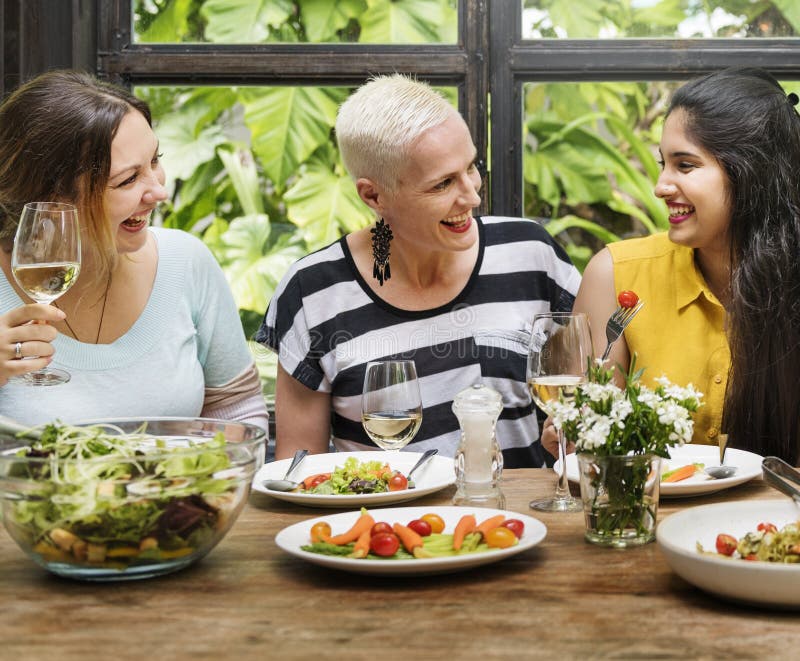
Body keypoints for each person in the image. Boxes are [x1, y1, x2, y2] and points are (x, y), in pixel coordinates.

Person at [257, 74, 580, 466]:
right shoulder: (312, 292)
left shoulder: (530, 252)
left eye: (471, 167)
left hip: (519, 523)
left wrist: (572, 433)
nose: (472, 195)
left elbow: (585, 391)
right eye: (442, 184)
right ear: (373, 195)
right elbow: (298, 467)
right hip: (383, 526)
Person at [555, 67, 800, 464]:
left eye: (684, 165)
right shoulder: (616, 275)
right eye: (663, 163)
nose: (660, 186)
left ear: (750, 173)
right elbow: (588, 434)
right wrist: (575, 434)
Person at [0, 70, 268, 430]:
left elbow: (236, 408)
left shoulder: (185, 261)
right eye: (127, 180)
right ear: (52, 200)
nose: (159, 192)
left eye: (155, 161)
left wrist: (216, 482)